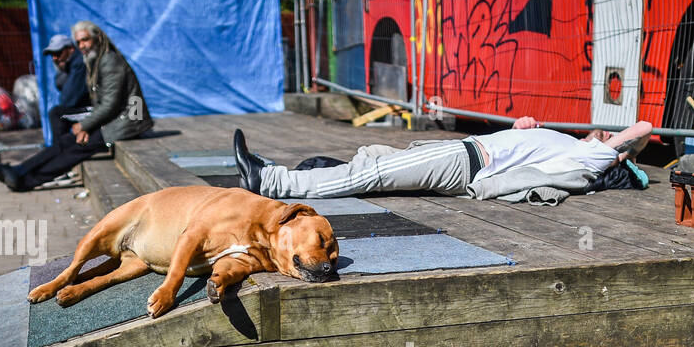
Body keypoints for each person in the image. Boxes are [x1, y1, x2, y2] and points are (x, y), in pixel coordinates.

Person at [234, 115, 654, 206]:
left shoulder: (592, 155)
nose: (604, 132)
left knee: (373, 173)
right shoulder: (568, 144)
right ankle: (301, 172)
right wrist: (520, 128)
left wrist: (616, 143)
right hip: (466, 154)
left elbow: (644, 127)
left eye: (610, 137)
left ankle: (270, 182)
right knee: (374, 157)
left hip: (464, 160)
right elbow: (515, 149)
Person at [0, 21, 153, 192]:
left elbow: (110, 105)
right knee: (67, 140)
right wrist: (87, 125)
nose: (82, 46)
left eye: (85, 40)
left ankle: (25, 181)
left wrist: (85, 125)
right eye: (78, 42)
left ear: (98, 38)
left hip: (128, 121)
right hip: (115, 118)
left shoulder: (109, 61)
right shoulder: (97, 59)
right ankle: (19, 170)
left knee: (77, 146)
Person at [40, 31, 89, 143]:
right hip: (87, 109)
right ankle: (60, 149)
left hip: (96, 111)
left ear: (71, 49)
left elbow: (68, 100)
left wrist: (65, 70)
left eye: (58, 53)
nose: (54, 58)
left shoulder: (78, 63)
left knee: (57, 113)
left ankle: (60, 151)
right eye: (52, 55)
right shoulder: (68, 68)